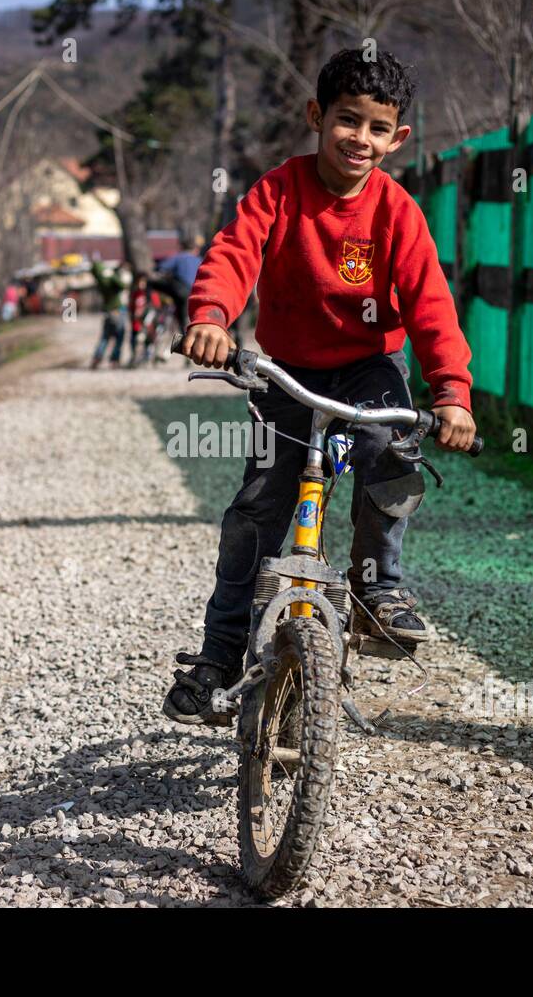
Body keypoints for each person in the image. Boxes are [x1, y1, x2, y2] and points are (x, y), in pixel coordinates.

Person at [163, 48, 478, 725]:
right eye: (346, 120)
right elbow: (233, 254)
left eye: (375, 127)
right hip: (287, 373)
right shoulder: (279, 191)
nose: (358, 138)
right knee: (255, 511)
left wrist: (452, 393)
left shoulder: (397, 213)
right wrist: (212, 318)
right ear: (317, 116)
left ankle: (376, 593)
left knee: (391, 453)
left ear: (397, 140)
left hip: (367, 367)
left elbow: (431, 307)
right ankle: (218, 656)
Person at [152, 235, 205, 336]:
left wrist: (157, 270)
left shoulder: (179, 256)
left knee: (152, 283)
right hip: (191, 293)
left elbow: (162, 267)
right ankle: (184, 335)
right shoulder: (199, 260)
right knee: (182, 313)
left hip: (178, 288)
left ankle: (150, 303)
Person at [90, 259, 131, 369]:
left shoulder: (99, 280)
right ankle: (114, 360)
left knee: (105, 337)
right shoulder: (108, 278)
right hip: (117, 310)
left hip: (107, 311)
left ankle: (96, 358)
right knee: (119, 336)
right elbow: (122, 285)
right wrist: (113, 275)